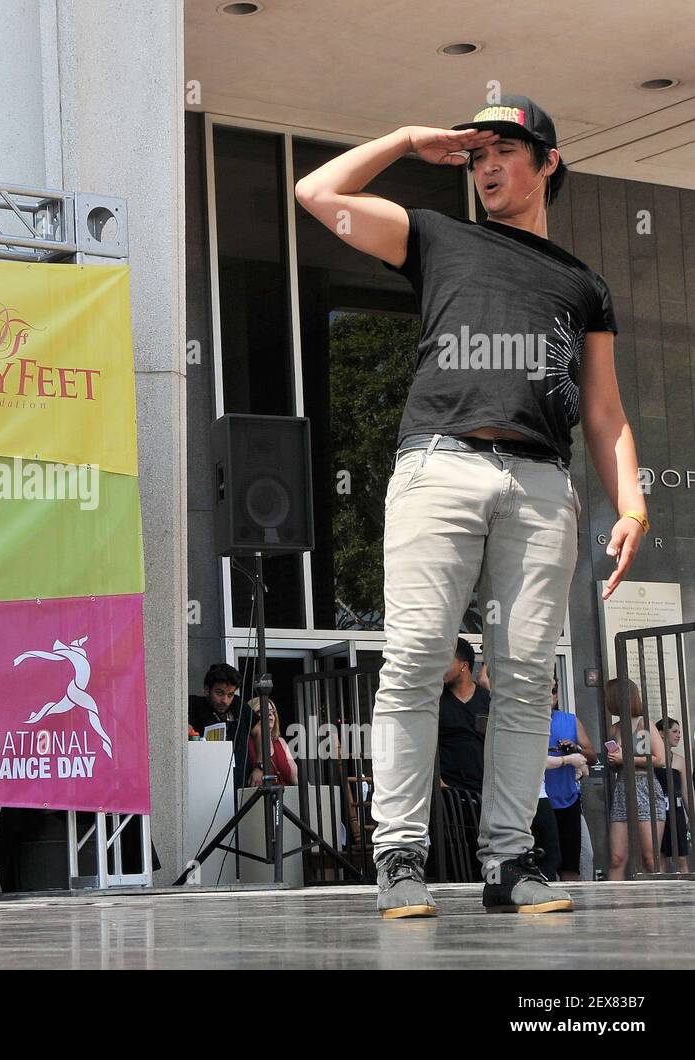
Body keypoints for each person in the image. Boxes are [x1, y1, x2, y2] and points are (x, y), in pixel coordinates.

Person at [296, 93, 646, 918]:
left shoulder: (582, 284)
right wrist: (407, 139)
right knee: (415, 662)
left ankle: (510, 863)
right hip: (439, 466)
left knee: (525, 679)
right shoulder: (438, 237)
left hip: (538, 480)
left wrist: (631, 505)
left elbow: (604, 411)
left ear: (548, 162)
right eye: (476, 154)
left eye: (505, 152)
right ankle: (400, 859)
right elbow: (317, 193)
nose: (487, 167)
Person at [605, 678, 667, 878]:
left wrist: (626, 757)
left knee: (650, 858)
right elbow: (617, 764)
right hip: (623, 787)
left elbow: (659, 759)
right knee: (616, 857)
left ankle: (657, 903)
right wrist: (614, 761)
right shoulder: (615, 728)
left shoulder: (644, 724)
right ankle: (617, 905)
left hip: (645, 786)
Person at [544, 670, 595, 881]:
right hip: (539, 803)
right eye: (546, 691)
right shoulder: (527, 724)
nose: (550, 697)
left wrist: (576, 749)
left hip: (568, 801)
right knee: (544, 865)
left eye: (554, 692)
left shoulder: (570, 720)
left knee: (571, 865)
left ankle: (573, 908)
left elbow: (592, 755)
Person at [437, 639, 489, 792]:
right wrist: (439, 782)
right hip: (448, 793)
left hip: (483, 792)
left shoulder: (488, 700)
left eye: (446, 661)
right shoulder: (436, 701)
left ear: (464, 666)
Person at [654, 718, 689, 872]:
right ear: (661, 733)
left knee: (681, 857)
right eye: (674, 731)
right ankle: (661, 893)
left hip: (676, 811)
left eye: (680, 732)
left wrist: (692, 816)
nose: (678, 735)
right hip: (657, 811)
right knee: (659, 856)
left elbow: (687, 791)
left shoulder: (680, 761)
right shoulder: (651, 760)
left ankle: (687, 892)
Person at [247, 696, 297, 787]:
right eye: (261, 711)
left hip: (285, 796)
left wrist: (311, 794)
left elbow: (295, 778)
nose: (269, 714)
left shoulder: (280, 742)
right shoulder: (245, 743)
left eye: (272, 712)